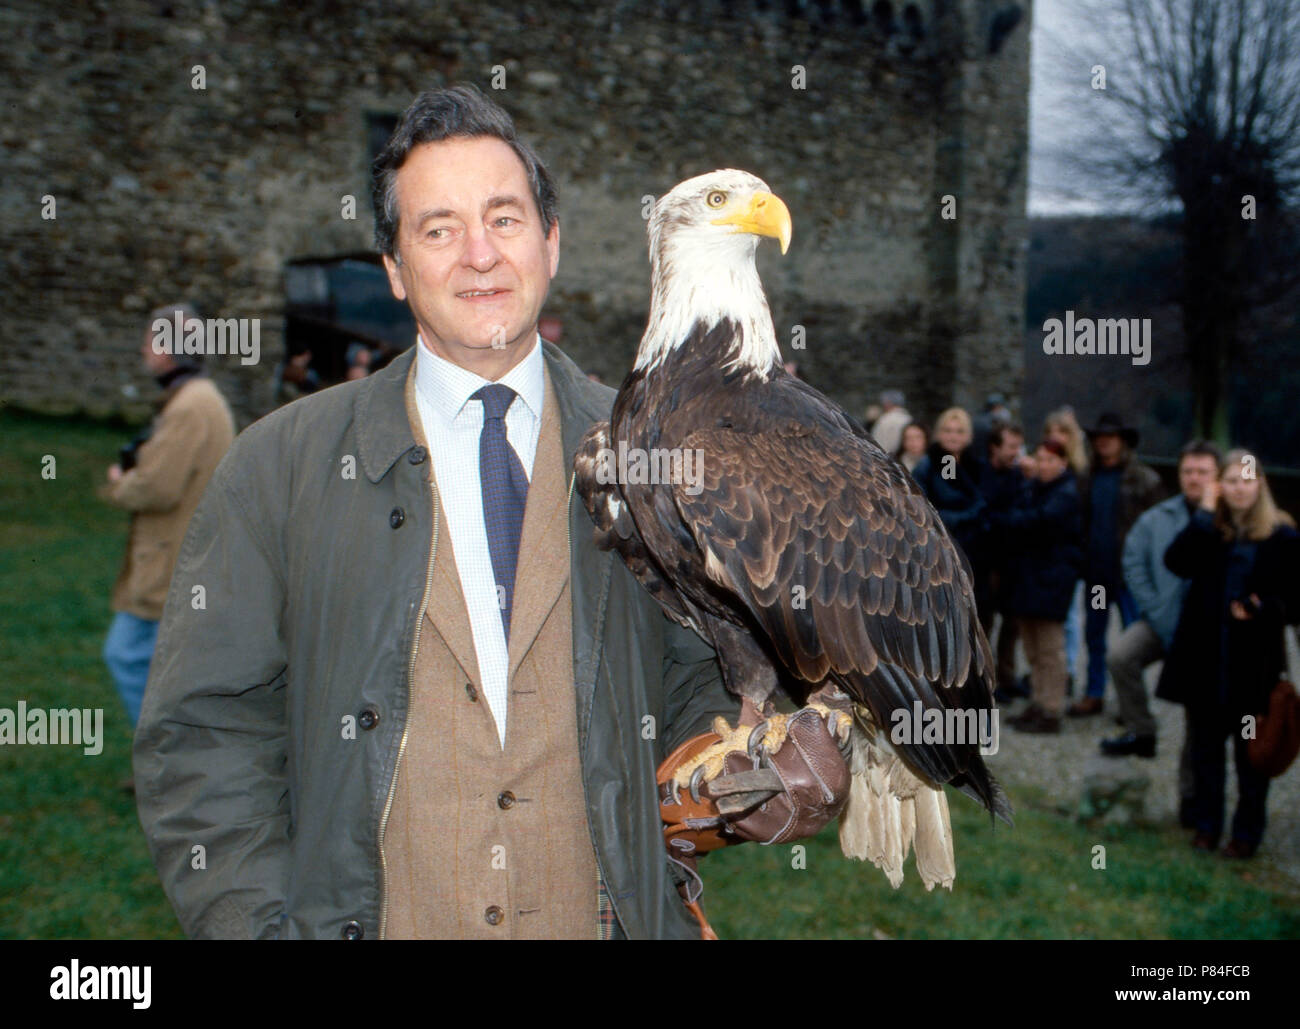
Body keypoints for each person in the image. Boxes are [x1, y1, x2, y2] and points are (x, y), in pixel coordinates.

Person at [133, 84, 847, 940]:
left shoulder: (664, 465)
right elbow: (205, 733)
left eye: (505, 220)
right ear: (395, 268)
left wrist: (739, 774)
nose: (478, 254)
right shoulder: (276, 468)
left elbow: (700, 677)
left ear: (551, 243)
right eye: (438, 229)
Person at [1156, 450, 1299, 858]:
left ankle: (1246, 834)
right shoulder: (1210, 531)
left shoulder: (1282, 537)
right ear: (1221, 486)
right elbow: (1176, 562)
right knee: (1206, 751)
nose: (1240, 488)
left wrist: (1263, 607)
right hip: (1206, 665)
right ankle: (1206, 827)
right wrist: (1204, 511)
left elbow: (1295, 601)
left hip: (1252, 672)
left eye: (1247, 480)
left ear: (1261, 485)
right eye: (1231, 480)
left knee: (1250, 756)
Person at [100, 305, 235, 729]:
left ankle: (168, 768)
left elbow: (157, 487)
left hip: (173, 562)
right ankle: (168, 768)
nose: (143, 349)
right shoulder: (196, 398)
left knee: (129, 656)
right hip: (183, 558)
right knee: (166, 672)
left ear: (166, 350)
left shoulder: (191, 406)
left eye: (149, 341)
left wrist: (121, 482)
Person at [1101, 441, 1222, 833]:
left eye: (1203, 472)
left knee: (1197, 716)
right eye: (1188, 471)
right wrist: (1157, 611)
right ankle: (1142, 730)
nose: (1194, 479)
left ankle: (1191, 796)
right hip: (1161, 619)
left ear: (1216, 477)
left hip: (1207, 633)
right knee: (1120, 654)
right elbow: (1134, 564)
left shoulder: (1228, 517)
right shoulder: (1157, 519)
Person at [1069, 413, 1165, 717]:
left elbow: (1158, 527)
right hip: (1097, 573)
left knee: (1131, 641)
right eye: (1099, 438)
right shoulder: (1088, 478)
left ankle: (1130, 703)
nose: (1104, 443)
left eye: (1109, 437)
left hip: (1130, 577)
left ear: (1122, 441)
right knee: (1094, 636)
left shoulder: (1145, 479)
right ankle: (1094, 693)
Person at [992, 438, 1083, 734]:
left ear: (1063, 463)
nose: (1044, 465)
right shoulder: (1040, 488)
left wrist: (1010, 521)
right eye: (1040, 458)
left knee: (1049, 648)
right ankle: (1039, 702)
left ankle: (1051, 709)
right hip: (1032, 580)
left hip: (1051, 581)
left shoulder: (1066, 493)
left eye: (1050, 460)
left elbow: (1038, 522)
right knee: (1032, 647)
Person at [911, 407, 990, 620]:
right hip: (943, 551)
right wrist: (970, 514)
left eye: (959, 431)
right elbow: (925, 511)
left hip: (977, 552)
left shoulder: (977, 465)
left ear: (968, 435)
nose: (953, 436)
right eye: (947, 430)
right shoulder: (931, 466)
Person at [1044, 407, 1089, 693]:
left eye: (1062, 432)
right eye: (1052, 432)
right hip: (1049, 556)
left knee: (1071, 618)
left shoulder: (1082, 474)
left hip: (1071, 553)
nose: (1056, 437)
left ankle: (1070, 671)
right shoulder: (1047, 465)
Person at [982, 422, 1027, 695]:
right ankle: (985, 680)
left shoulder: (1019, 476)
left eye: (1018, 447)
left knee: (1012, 625)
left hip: (1012, 562)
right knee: (984, 624)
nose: (1016, 452)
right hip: (987, 563)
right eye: (1011, 446)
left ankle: (1007, 677)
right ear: (995, 447)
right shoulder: (981, 474)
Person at [870, 389, 911, 456]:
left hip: (888, 459)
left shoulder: (884, 420)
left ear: (887, 403)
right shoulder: (908, 418)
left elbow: (877, 444)